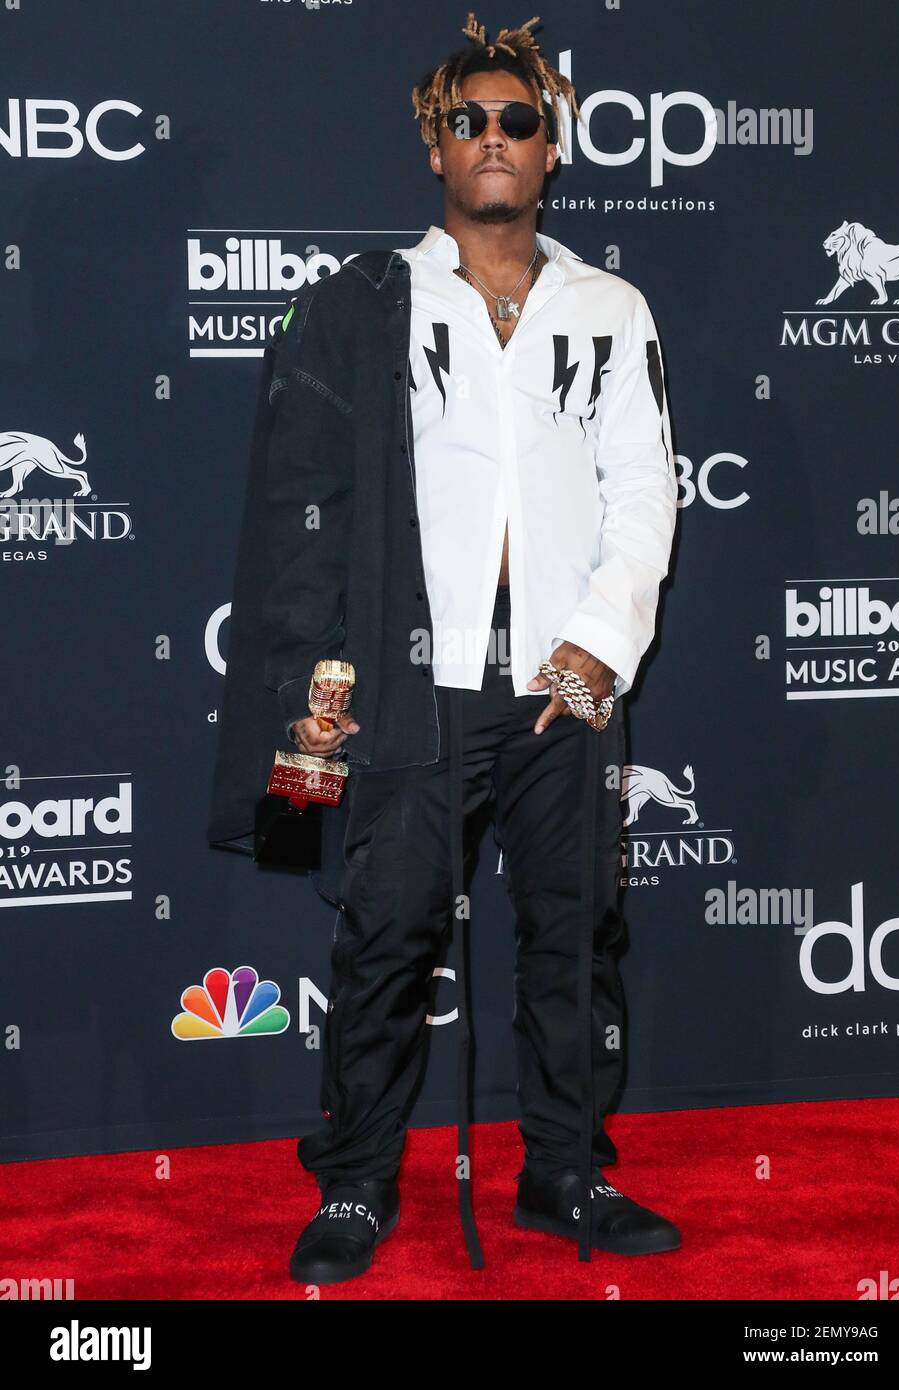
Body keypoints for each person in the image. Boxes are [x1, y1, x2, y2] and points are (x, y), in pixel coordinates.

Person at [208, 11, 680, 1286]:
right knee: (384, 938)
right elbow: (312, 507)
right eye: (466, 120)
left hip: (565, 685)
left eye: (516, 120)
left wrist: (595, 648)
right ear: (435, 147)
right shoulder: (369, 303)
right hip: (417, 678)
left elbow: (644, 493)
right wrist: (321, 678)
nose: (492, 139)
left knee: (575, 939)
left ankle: (565, 1171)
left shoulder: (610, 305)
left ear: (551, 144)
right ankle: (357, 1183)